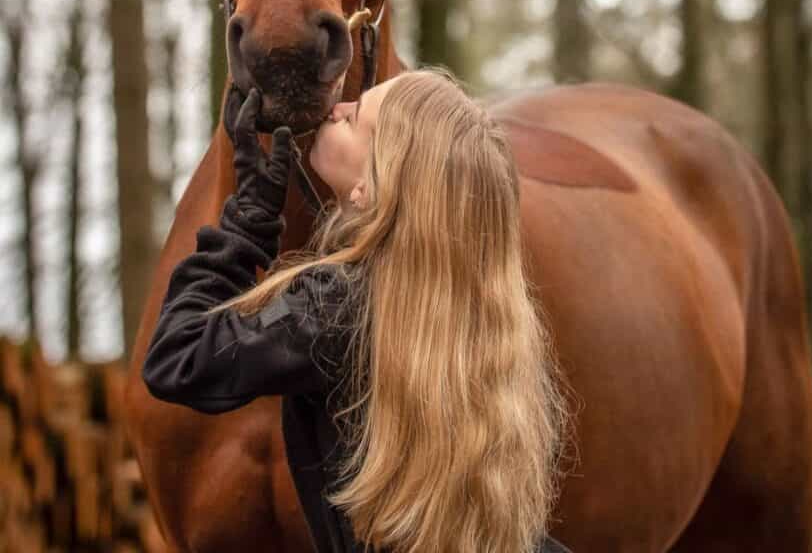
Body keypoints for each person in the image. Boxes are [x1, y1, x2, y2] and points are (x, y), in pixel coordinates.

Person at [142, 67, 571, 553]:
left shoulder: (338, 307)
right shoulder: (474, 328)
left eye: (355, 118)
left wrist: (246, 226)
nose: (338, 107)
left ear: (371, 187)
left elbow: (176, 358)